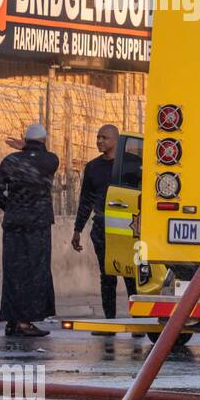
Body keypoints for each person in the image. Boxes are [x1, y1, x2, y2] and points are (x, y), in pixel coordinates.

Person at [0, 124, 60, 338]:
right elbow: (41, 157)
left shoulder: (11, 161)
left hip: (14, 224)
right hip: (38, 225)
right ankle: (25, 322)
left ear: (25, 139)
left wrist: (11, 207)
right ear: (44, 140)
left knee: (13, 272)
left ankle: (12, 320)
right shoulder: (50, 161)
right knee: (35, 273)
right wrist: (28, 148)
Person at [72, 124, 137, 320]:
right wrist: (78, 229)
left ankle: (140, 321)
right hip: (102, 228)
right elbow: (86, 200)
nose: (99, 141)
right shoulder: (93, 167)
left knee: (131, 275)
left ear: (117, 141)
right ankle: (110, 320)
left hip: (128, 228)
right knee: (106, 275)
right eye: (98, 137)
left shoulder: (132, 164)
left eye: (104, 138)